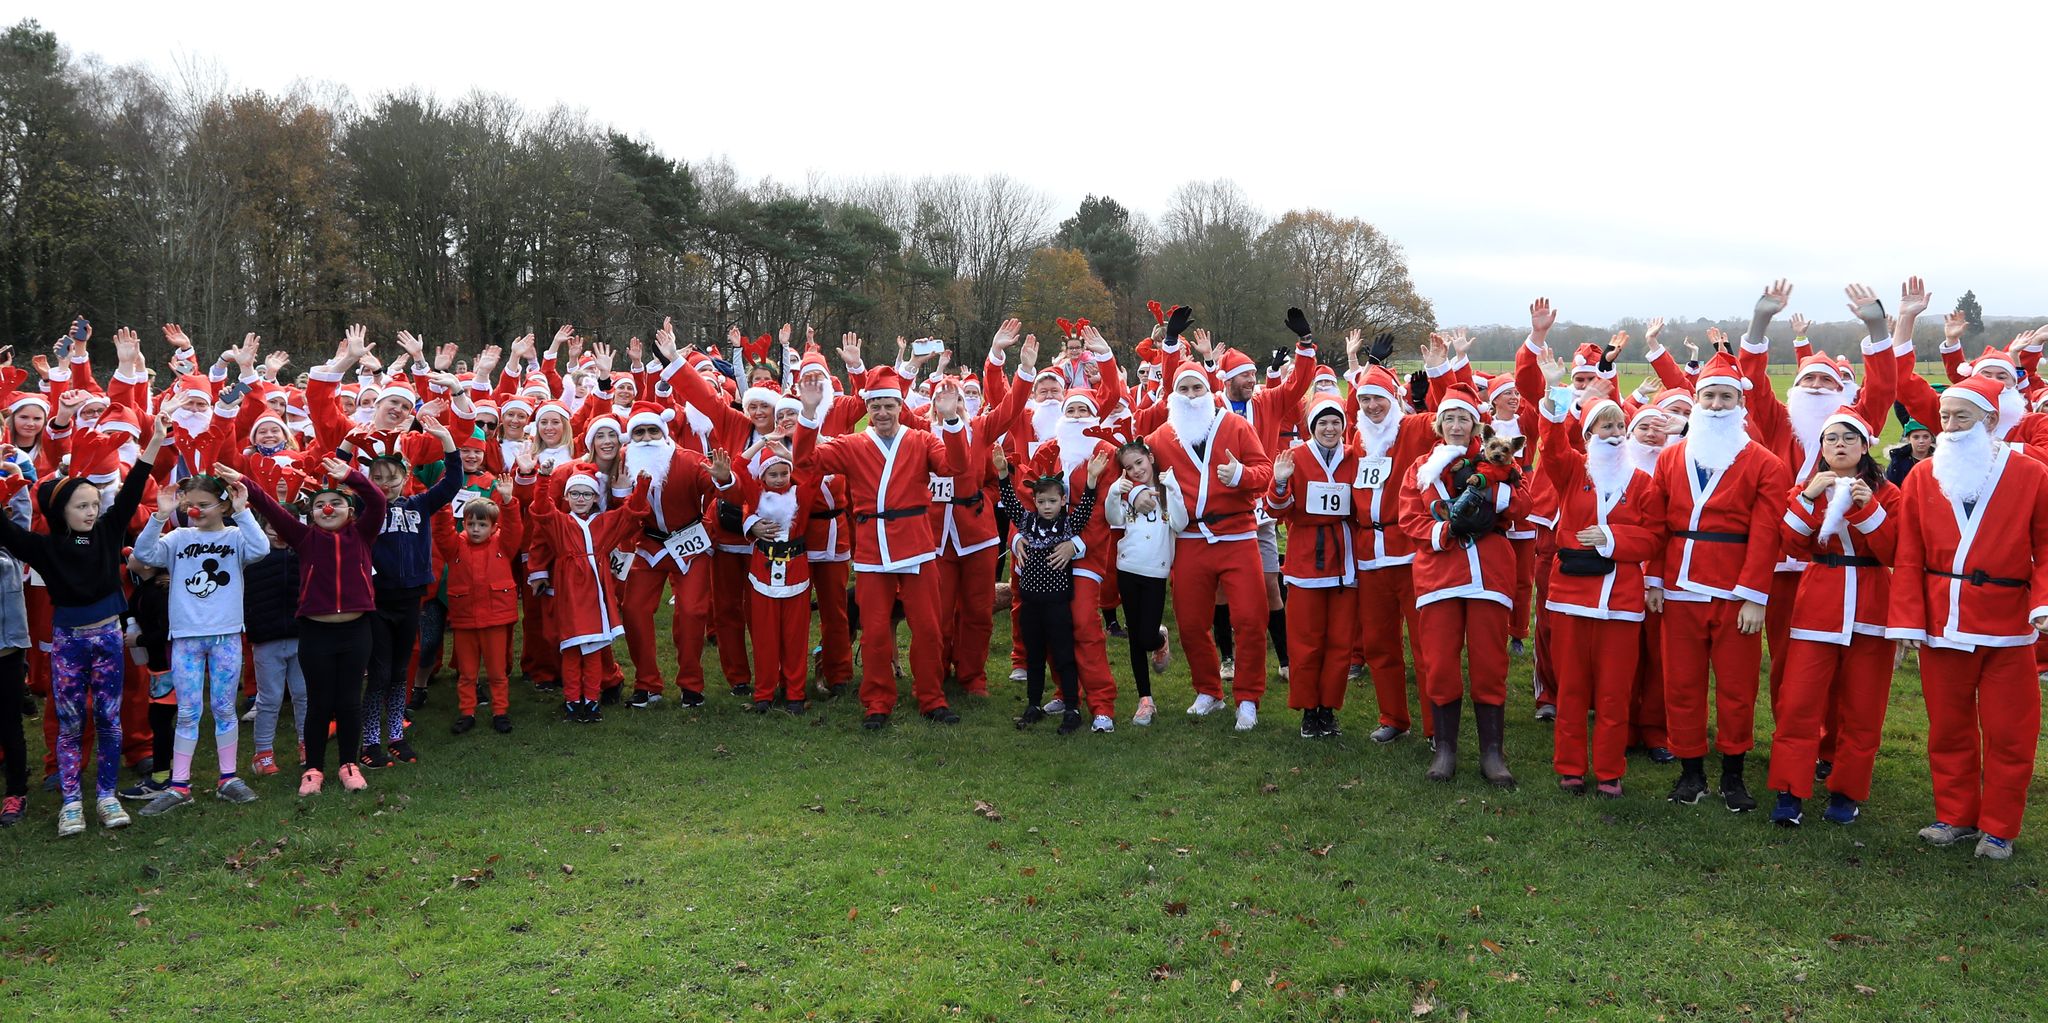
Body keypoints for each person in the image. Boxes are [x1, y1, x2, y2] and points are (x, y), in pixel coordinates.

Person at [1888, 373, 2048, 860]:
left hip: (2007, 627)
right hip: (1943, 621)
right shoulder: (1922, 474)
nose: (1951, 426)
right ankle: (1955, 815)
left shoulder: (2031, 474)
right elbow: (1909, 551)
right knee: (1949, 726)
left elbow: (2045, 544)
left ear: (1991, 421)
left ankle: (1999, 826)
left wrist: (2042, 604)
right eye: (1944, 417)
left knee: (2009, 730)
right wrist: (1907, 622)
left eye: (1962, 416)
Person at [0, 405, 169, 835]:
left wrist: (152, 444)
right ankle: (72, 801)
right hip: (69, 642)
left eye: (95, 504)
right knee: (73, 719)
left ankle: (107, 796)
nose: (92, 512)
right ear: (62, 512)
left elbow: (130, 490)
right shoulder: (46, 547)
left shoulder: (108, 532)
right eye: (82, 506)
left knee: (110, 717)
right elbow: (7, 532)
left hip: (109, 639)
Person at [1644, 350, 1790, 811]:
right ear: (1696, 399)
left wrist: (1754, 597)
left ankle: (1732, 774)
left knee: (1736, 685)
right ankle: (1690, 773)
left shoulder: (1765, 463)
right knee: (1682, 682)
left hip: (1733, 593)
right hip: (1680, 588)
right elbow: (1656, 524)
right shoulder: (1671, 457)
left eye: (1726, 396)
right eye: (1708, 396)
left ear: (1741, 403)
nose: (1716, 405)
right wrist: (1654, 580)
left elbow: (1767, 535)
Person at [791, 365, 969, 730]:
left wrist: (950, 419)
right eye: (876, 407)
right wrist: (808, 415)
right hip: (873, 549)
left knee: (928, 628)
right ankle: (876, 701)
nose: (883, 413)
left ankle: (931, 697)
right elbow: (806, 463)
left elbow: (955, 465)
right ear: (868, 410)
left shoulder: (921, 440)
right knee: (873, 632)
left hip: (917, 545)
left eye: (890, 405)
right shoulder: (852, 444)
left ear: (900, 406)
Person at [1531, 367, 1662, 798]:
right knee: (1572, 689)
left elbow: (1654, 535)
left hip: (1621, 601)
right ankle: (1570, 766)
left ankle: (1609, 770)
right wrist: (1556, 389)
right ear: (1588, 433)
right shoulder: (1573, 472)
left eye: (1620, 424)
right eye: (1606, 425)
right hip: (1571, 597)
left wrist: (1612, 539)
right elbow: (1550, 444)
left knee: (1613, 691)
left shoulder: (1642, 481)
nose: (1616, 432)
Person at [1769, 408, 1898, 826]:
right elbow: (1791, 544)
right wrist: (1807, 499)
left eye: (1848, 438)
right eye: (1830, 439)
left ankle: (1846, 791)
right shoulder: (1805, 488)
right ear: (1821, 448)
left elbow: (1893, 551)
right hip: (1818, 606)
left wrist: (1868, 508)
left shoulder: (1889, 493)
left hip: (1871, 608)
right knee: (1799, 702)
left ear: (1864, 446)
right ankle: (1790, 789)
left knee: (1863, 706)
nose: (1838, 445)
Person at [1397, 378, 1527, 786]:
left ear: (1476, 426)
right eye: (1449, 419)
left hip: (1488, 572)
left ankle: (1492, 752)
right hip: (1439, 574)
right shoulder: (1421, 468)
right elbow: (1409, 518)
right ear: (1438, 424)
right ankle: (1445, 749)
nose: (1456, 426)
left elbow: (1526, 501)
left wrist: (1491, 502)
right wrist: (1446, 530)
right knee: (1439, 662)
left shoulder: (1501, 462)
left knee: (1490, 661)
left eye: (1464, 420)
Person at [1143, 358, 1274, 731]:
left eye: (1196, 388)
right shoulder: (1161, 438)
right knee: (1190, 621)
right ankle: (1208, 691)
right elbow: (1137, 470)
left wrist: (1241, 476)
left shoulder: (1235, 425)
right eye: (1183, 389)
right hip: (1190, 539)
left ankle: (1247, 696)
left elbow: (1264, 472)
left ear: (1209, 391)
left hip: (1237, 533)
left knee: (1250, 618)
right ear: (1173, 394)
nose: (1190, 395)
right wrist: (1135, 492)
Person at [130, 471, 271, 815]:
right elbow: (144, 553)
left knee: (224, 708)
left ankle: (228, 779)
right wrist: (160, 515)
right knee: (189, 711)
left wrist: (241, 510)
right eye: (189, 505)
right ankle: (179, 785)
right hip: (186, 639)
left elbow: (261, 548)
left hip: (226, 637)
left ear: (222, 504)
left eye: (204, 505)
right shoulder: (178, 537)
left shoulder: (237, 536)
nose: (195, 511)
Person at [245, 456, 386, 797]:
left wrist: (351, 477)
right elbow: (270, 506)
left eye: (335, 503)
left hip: (356, 631)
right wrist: (245, 482)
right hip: (316, 632)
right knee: (319, 703)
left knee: (351, 701)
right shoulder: (303, 538)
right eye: (319, 504)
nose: (327, 508)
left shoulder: (363, 534)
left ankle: (349, 764)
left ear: (350, 511)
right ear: (310, 514)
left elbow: (378, 500)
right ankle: (314, 769)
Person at [353, 410, 462, 768]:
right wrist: (347, 443)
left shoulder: (419, 504)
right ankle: (370, 742)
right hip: (377, 599)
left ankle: (396, 735)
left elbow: (452, 482)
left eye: (392, 476)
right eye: (377, 477)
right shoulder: (365, 509)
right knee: (380, 672)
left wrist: (446, 440)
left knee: (400, 670)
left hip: (410, 596)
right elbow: (339, 475)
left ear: (405, 476)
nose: (385, 483)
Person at [522, 460, 651, 723]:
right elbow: (542, 510)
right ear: (567, 497)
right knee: (570, 650)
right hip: (569, 594)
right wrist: (543, 478)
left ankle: (591, 701)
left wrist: (643, 485)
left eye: (586, 494)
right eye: (575, 493)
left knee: (593, 650)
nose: (580, 499)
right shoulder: (560, 522)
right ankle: (572, 701)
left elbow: (632, 514)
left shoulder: (604, 522)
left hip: (596, 594)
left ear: (595, 497)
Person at [993, 443, 1108, 734]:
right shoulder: (1027, 522)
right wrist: (1003, 474)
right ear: (1036, 501)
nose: (1046, 506)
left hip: (1057, 604)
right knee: (1034, 655)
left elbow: (1086, 510)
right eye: (1042, 501)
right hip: (1031, 604)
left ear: (1062, 502)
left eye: (1052, 502)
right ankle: (1033, 704)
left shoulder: (1068, 527)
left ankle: (1071, 706)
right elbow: (1009, 501)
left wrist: (1092, 481)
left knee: (1063, 654)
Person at [1266, 396, 1361, 739]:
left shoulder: (1354, 456)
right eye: (1323, 422)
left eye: (1336, 422)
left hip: (1344, 560)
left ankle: (1328, 709)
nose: (1330, 428)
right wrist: (1279, 481)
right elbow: (1277, 509)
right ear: (1311, 426)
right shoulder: (1296, 456)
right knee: (1305, 641)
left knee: (1339, 642)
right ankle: (1308, 710)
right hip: (1306, 559)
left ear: (1344, 426)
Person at [1104, 439, 1185, 727]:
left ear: (1150, 458)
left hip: (1156, 572)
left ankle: (1160, 639)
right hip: (1127, 568)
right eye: (1129, 467)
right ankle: (1145, 699)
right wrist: (1115, 492)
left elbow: (1180, 523)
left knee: (1147, 636)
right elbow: (1113, 518)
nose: (1136, 470)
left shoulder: (1166, 489)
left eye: (1139, 462)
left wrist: (1173, 488)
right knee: (1136, 639)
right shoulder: (1127, 493)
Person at [442, 481, 523, 734]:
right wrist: (443, 503)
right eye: (471, 524)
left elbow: (514, 529)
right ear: (463, 523)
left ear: (494, 527)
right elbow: (440, 531)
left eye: (482, 524)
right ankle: (467, 712)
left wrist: (509, 502)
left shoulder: (503, 545)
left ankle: (500, 712)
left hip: (495, 620)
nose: (476, 529)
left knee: (498, 672)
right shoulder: (454, 545)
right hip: (465, 619)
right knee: (467, 673)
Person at [242, 522, 304, 775]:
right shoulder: (252, 558)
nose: (278, 535)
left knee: (304, 695)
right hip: (267, 640)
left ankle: (307, 742)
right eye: (271, 530)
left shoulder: (304, 556)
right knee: (269, 699)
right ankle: (263, 752)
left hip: (302, 638)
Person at [1885, 419, 1933, 487]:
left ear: (1932, 438)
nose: (1921, 441)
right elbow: (1891, 487)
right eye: (1916, 437)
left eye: (1926, 437)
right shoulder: (1898, 460)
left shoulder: (1940, 459)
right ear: (1908, 439)